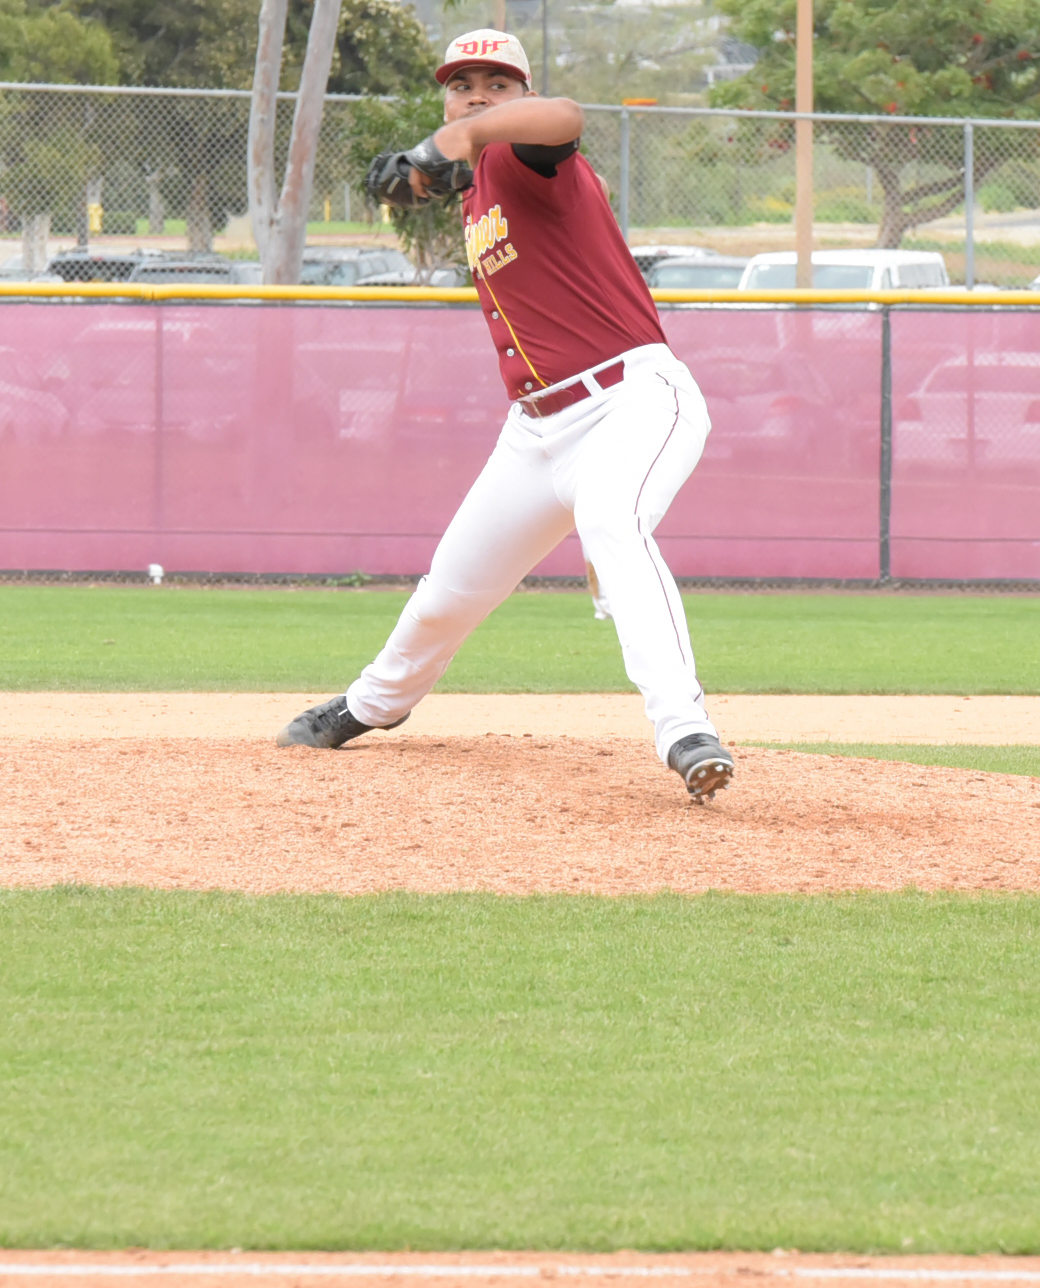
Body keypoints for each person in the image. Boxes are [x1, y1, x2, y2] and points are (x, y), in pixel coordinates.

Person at [276, 29, 734, 803]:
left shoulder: (526, 156)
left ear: (521, 95)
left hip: (630, 398)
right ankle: (371, 704)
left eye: (497, 83)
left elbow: (566, 117)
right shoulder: (478, 186)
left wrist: (455, 139)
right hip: (535, 432)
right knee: (450, 590)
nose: (478, 95)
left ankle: (685, 730)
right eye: (462, 85)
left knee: (613, 522)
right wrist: (436, 168)